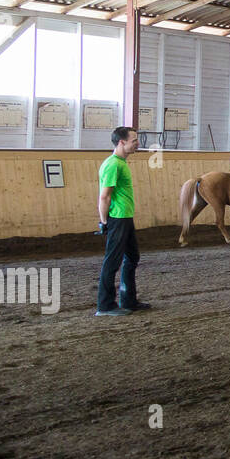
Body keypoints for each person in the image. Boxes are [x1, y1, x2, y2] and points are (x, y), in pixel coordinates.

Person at [96, 127, 149, 317]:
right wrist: (104, 222)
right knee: (112, 262)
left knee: (132, 257)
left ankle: (128, 300)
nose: (137, 143)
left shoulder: (120, 163)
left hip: (125, 217)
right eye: (134, 140)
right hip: (117, 219)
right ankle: (105, 305)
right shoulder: (113, 165)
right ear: (121, 142)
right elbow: (104, 197)